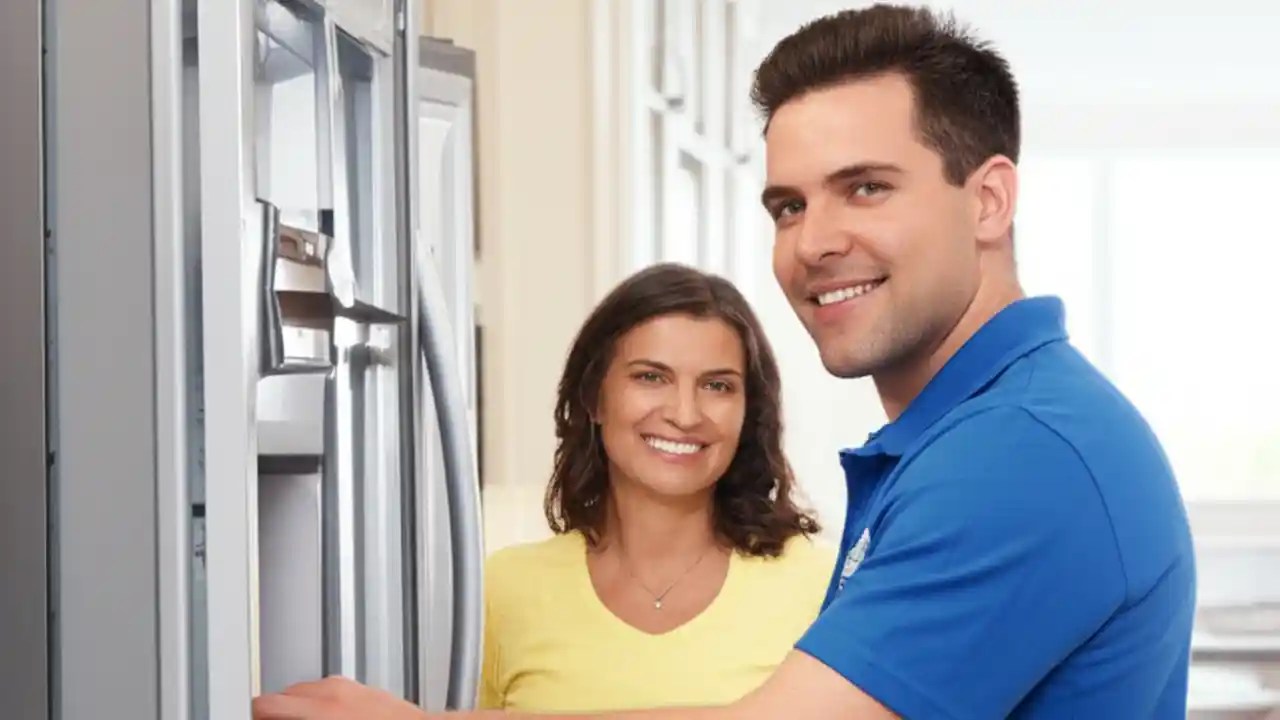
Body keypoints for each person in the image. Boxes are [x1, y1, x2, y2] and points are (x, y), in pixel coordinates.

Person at [253, 4, 1196, 719]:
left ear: (987, 202)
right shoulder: (969, 437)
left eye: (865, 188)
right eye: (789, 206)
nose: (815, 242)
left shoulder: (1019, 454)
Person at [475, 262, 833, 711]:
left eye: (717, 385)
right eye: (650, 377)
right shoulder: (505, 591)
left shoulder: (822, 590)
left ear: (748, 413)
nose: (685, 414)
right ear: (594, 397)